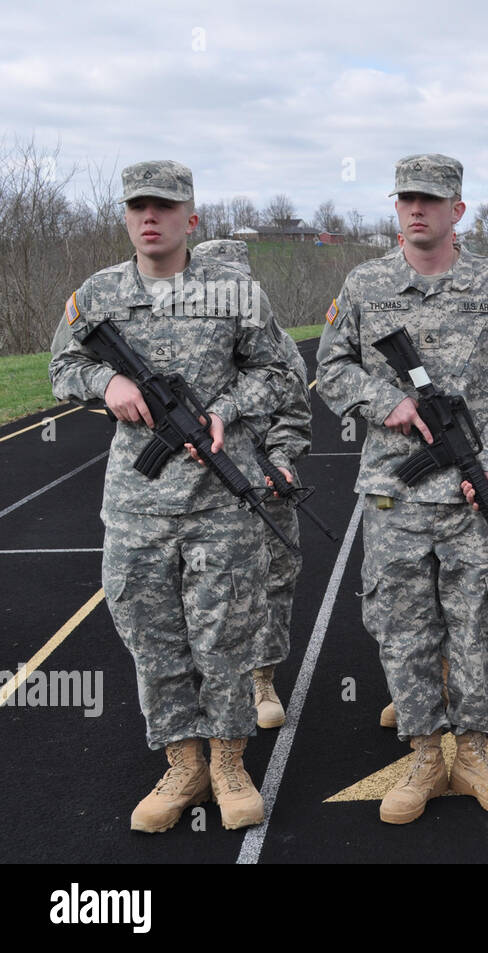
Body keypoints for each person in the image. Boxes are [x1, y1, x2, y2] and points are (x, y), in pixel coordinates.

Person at [49, 161, 288, 831]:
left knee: (227, 636)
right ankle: (183, 764)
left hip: (218, 499)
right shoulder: (97, 295)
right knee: (152, 638)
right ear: (126, 217)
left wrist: (226, 410)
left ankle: (229, 761)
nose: (149, 217)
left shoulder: (236, 295)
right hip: (137, 504)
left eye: (164, 206)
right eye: (137, 206)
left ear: (192, 218)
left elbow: (280, 375)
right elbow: (62, 364)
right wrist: (105, 385)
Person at [316, 154, 488, 825]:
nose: (417, 210)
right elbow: (330, 368)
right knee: (406, 630)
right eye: (406, 199)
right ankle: (422, 754)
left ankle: (471, 751)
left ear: (458, 211)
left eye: (431, 200)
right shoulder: (364, 284)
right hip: (395, 493)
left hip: (475, 495)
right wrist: (383, 400)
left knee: (473, 628)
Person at [193, 239, 312, 729]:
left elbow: (295, 415)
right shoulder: (185, 343)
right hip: (197, 492)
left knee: (274, 580)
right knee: (204, 588)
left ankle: (262, 679)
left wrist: (280, 460)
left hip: (263, 485)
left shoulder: (279, 347)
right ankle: (214, 683)